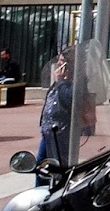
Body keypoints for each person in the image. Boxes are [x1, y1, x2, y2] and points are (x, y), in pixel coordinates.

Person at [35, 51, 74, 187]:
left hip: (60, 131)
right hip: (48, 130)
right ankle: (40, 191)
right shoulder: (61, 81)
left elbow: (69, 100)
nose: (58, 63)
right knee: (41, 165)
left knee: (59, 167)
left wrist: (61, 81)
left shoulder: (72, 83)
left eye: (62, 60)